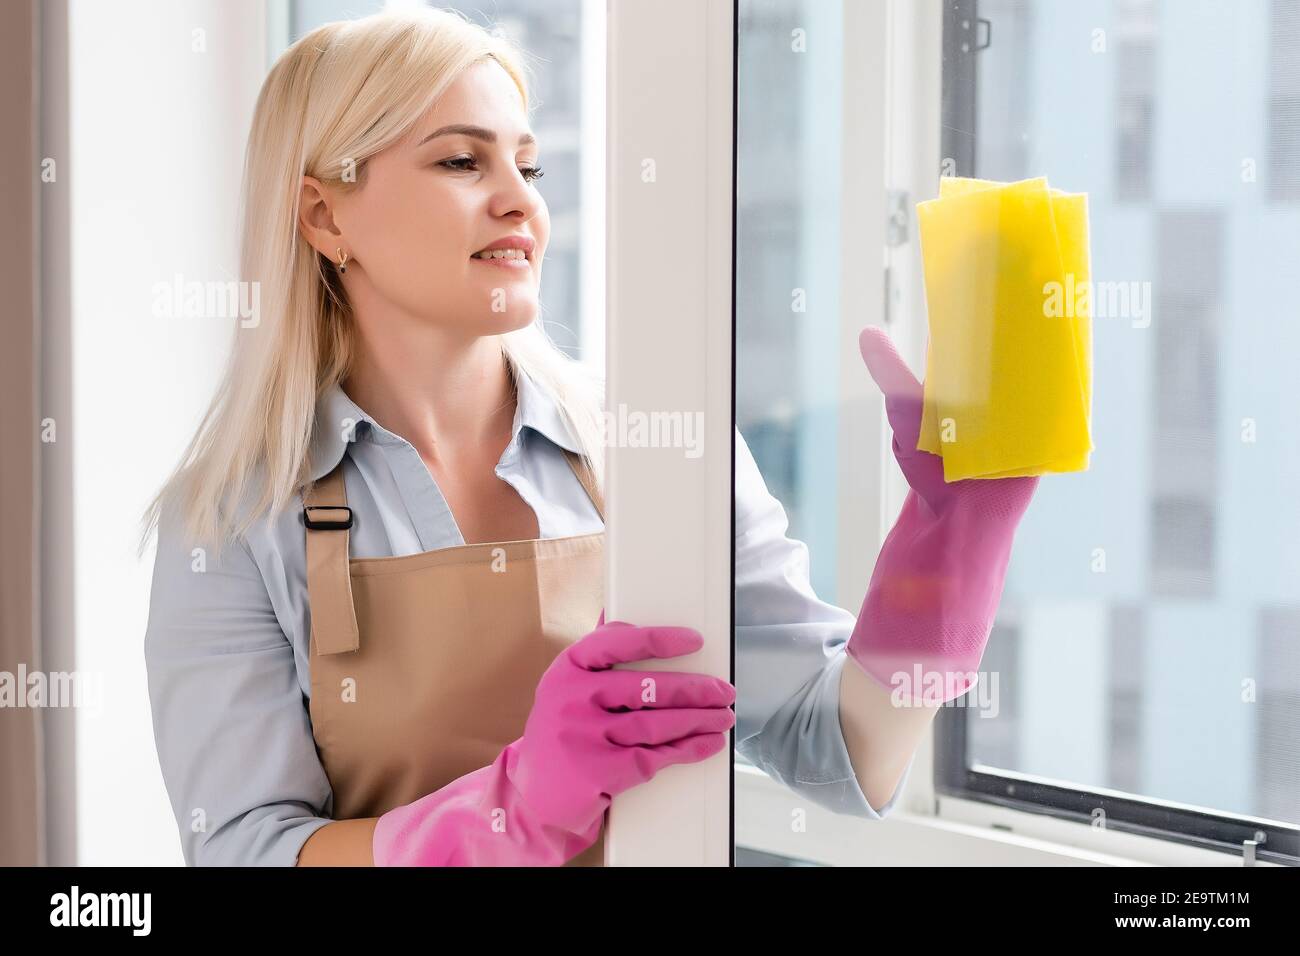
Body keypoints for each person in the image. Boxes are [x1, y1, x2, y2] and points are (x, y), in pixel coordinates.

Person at [141, 8, 1037, 867]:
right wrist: (517, 807)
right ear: (324, 217)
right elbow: (243, 851)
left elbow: (838, 748)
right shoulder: (233, 519)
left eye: (529, 169)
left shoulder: (657, 451)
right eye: (461, 161)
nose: (518, 203)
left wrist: (951, 542)